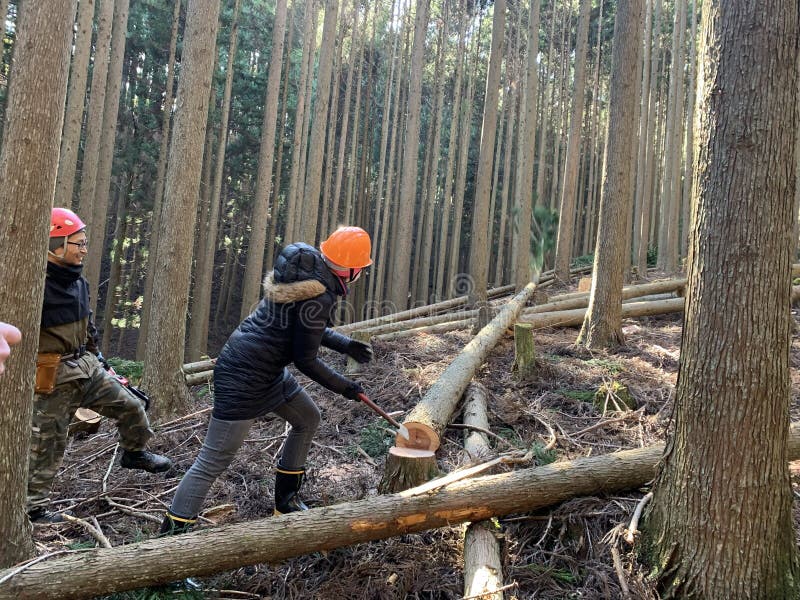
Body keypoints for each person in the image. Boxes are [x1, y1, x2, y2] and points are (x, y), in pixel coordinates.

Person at [160, 226, 374, 535]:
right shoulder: (319, 292)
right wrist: (346, 388)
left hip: (267, 372)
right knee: (213, 460)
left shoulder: (306, 277)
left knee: (308, 418)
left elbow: (305, 329)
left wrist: (345, 344)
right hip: (243, 378)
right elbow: (306, 359)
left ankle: (285, 503)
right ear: (351, 268)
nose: (361, 274)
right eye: (361, 268)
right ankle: (171, 542)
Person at [28, 207, 172, 524]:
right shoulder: (31, 287)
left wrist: (102, 362)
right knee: (48, 444)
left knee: (133, 405)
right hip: (53, 377)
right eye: (77, 243)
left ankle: (134, 453)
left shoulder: (78, 283)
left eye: (84, 242)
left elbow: (88, 327)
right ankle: (33, 509)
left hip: (87, 366)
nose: (83, 249)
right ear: (55, 244)